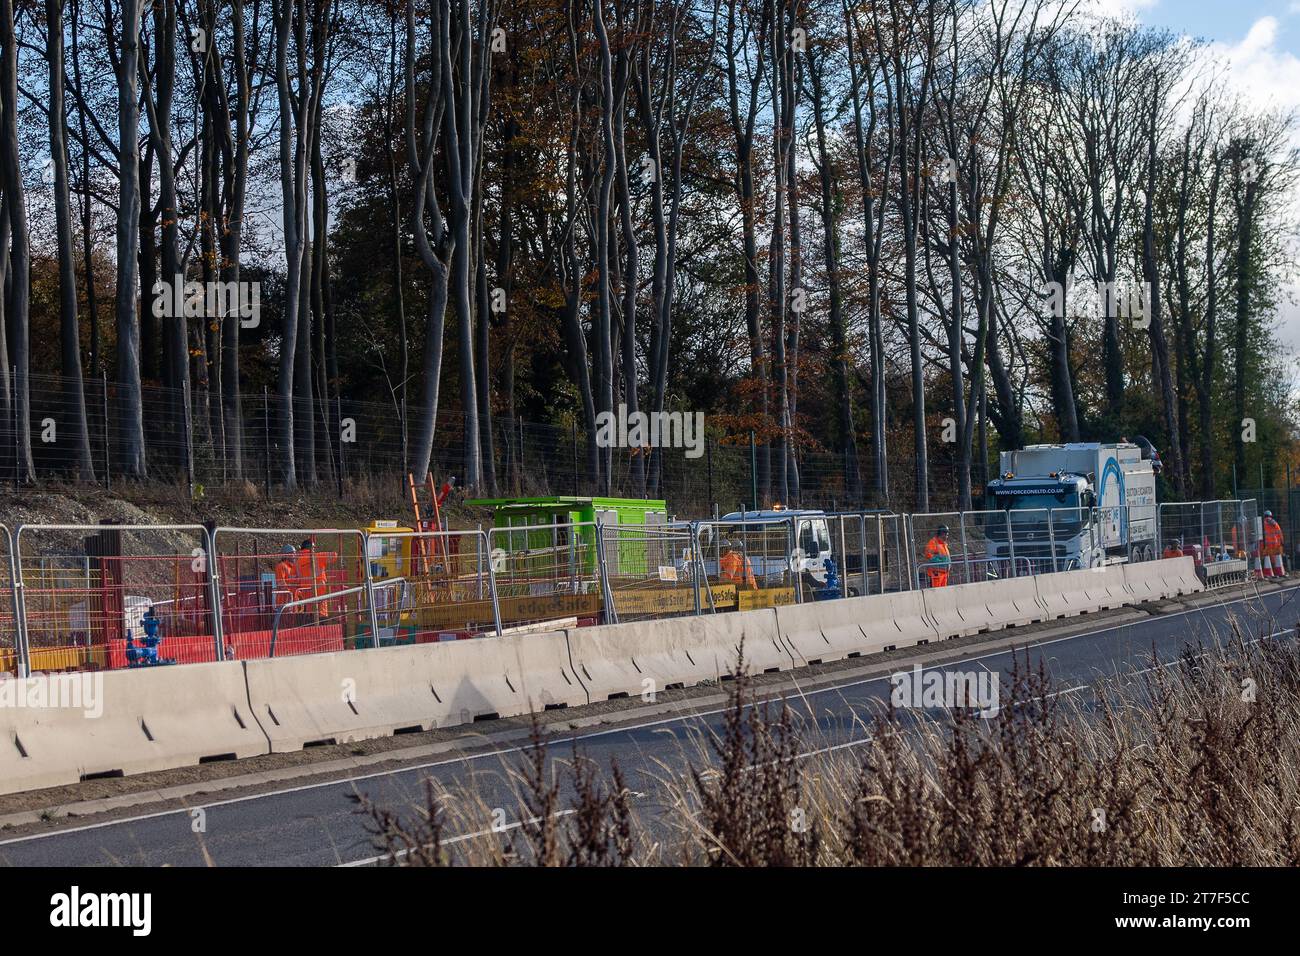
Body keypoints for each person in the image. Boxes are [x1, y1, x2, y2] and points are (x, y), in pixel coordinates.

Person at [1263, 511, 1286, 577]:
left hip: (1267, 544)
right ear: (1271, 515)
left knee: (1268, 558)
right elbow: (1280, 532)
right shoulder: (1274, 523)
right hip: (1275, 543)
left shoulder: (1262, 523)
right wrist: (1282, 541)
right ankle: (1277, 572)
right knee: (1276, 558)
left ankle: (1270, 573)